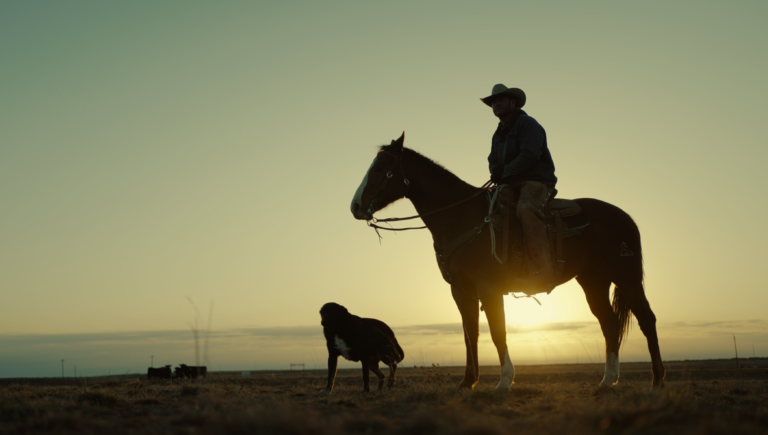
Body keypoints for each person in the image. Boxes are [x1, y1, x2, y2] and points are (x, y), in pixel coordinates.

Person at [481, 83, 557, 293]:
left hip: (536, 181)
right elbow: (492, 159)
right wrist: (496, 171)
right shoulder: (498, 134)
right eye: (493, 102)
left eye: (500, 100)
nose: (496, 104)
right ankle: (506, 264)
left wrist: (504, 172)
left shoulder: (527, 124)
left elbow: (530, 154)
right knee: (489, 208)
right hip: (509, 183)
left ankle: (544, 272)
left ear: (512, 102)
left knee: (525, 209)